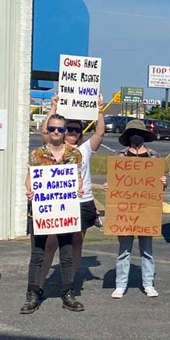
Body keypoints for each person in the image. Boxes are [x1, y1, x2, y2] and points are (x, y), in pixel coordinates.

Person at [38, 97, 105, 295]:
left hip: (82, 202)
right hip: (58, 201)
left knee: (77, 243)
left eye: (77, 130)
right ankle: (39, 284)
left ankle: (69, 283)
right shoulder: (52, 146)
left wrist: (100, 111)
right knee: (51, 244)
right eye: (70, 129)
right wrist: (53, 107)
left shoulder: (84, 150)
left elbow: (100, 132)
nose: (73, 133)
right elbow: (45, 131)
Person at [22, 114, 85, 314]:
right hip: (42, 211)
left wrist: (78, 189)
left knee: (66, 254)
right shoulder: (37, 154)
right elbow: (29, 178)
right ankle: (32, 293)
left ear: (65, 131)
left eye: (60, 129)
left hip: (66, 210)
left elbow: (77, 178)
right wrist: (29, 191)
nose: (56, 132)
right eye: (52, 129)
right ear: (47, 131)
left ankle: (68, 293)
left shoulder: (75, 154)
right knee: (37, 254)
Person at [113, 119, 164, 298]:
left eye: (140, 133)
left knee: (147, 250)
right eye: (133, 133)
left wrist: (162, 183)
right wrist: (109, 186)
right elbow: (115, 182)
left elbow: (158, 186)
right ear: (127, 136)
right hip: (125, 211)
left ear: (144, 136)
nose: (137, 136)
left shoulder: (154, 157)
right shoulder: (120, 157)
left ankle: (148, 284)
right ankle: (120, 284)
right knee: (124, 250)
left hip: (146, 210)